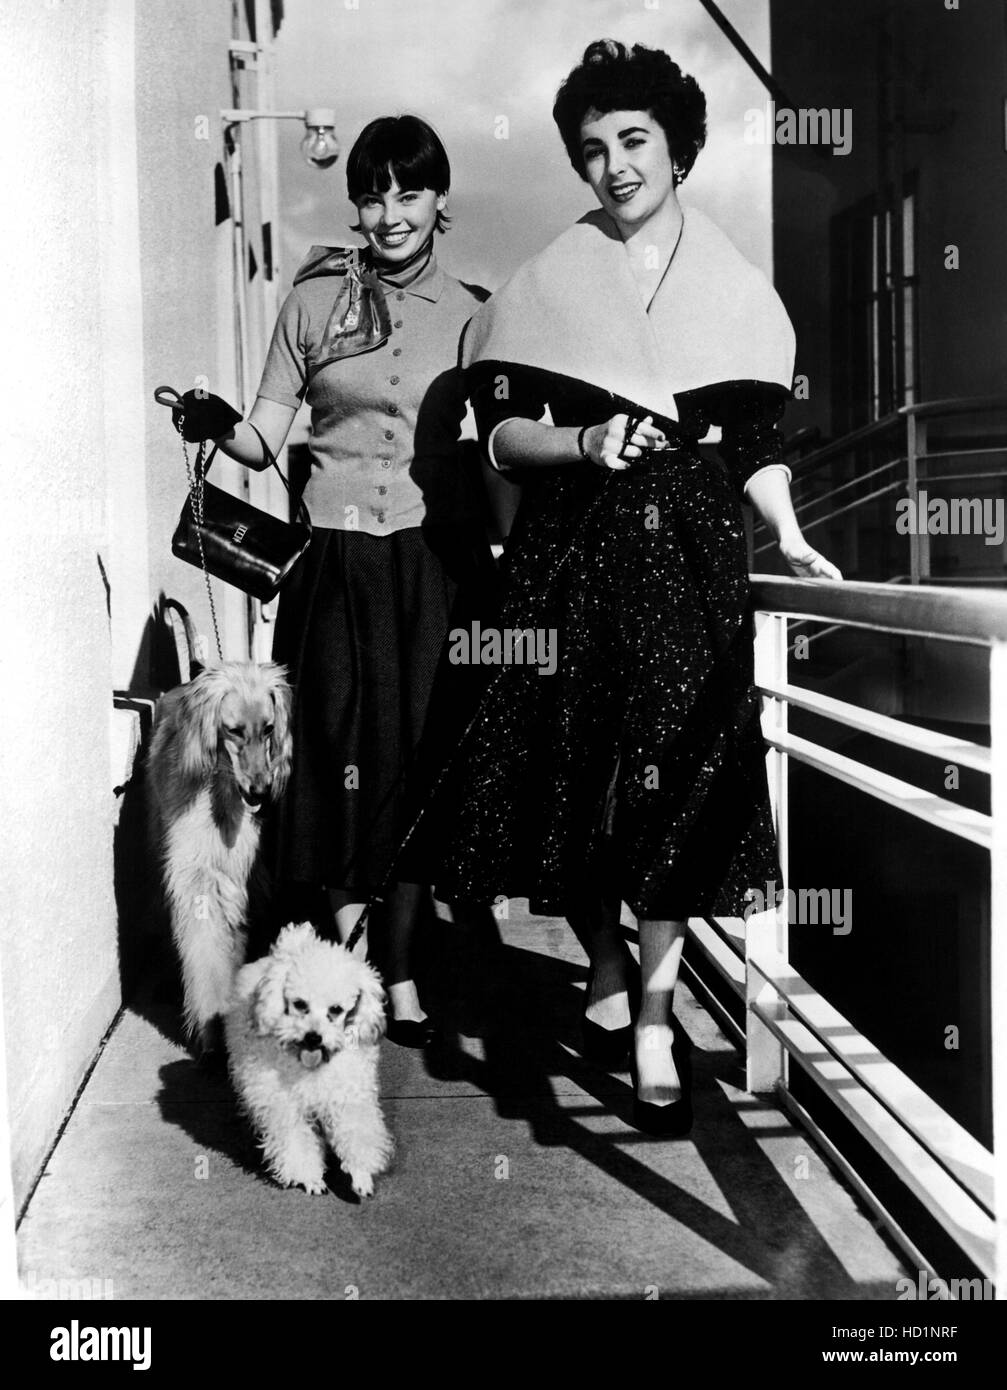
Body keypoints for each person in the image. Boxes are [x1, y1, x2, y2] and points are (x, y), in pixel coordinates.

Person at [428, 40, 841, 1132]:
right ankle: (603, 958)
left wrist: (790, 537)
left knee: (678, 793)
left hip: (690, 572)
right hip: (569, 564)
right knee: (565, 781)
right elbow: (502, 437)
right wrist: (580, 438)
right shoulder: (539, 284)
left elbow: (752, 443)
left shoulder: (737, 292)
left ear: (675, 147)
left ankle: (653, 1018)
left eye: (632, 141)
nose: (612, 167)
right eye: (591, 149)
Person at [174, 114, 492, 1045]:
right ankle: (344, 964)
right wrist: (214, 419)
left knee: (414, 764)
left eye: (409, 192)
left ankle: (399, 972)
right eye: (371, 194)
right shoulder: (312, 302)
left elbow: (498, 453)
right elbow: (263, 439)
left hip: (430, 564)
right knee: (333, 760)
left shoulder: (478, 311)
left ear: (441, 203)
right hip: (333, 566)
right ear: (354, 204)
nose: (389, 214)